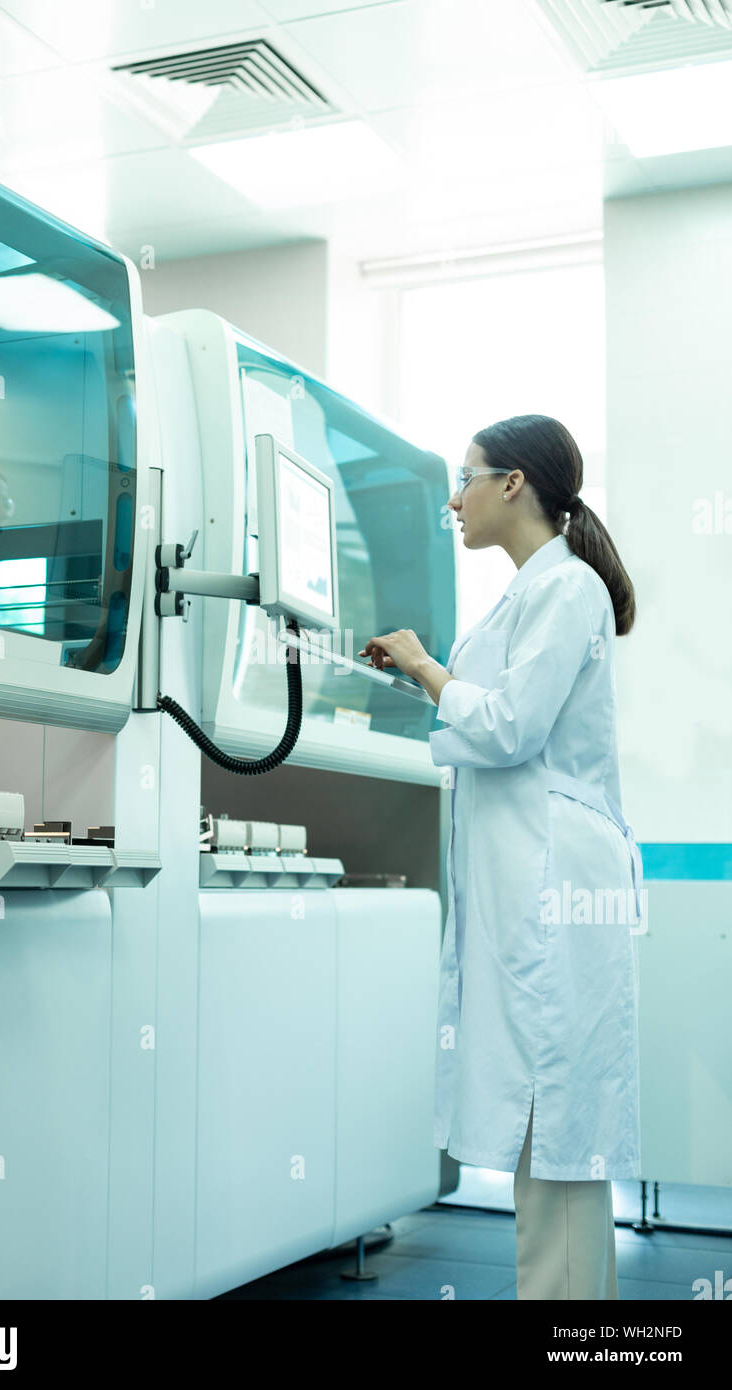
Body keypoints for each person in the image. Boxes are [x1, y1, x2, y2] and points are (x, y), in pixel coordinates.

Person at [358, 414, 642, 1301]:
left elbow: (512, 727)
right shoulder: (531, 594)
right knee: (544, 1122)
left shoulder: (570, 591)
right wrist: (423, 676)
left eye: (466, 477)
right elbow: (497, 715)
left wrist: (427, 669)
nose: (455, 497)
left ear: (513, 482)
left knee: (557, 1122)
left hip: (556, 892)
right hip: (528, 887)